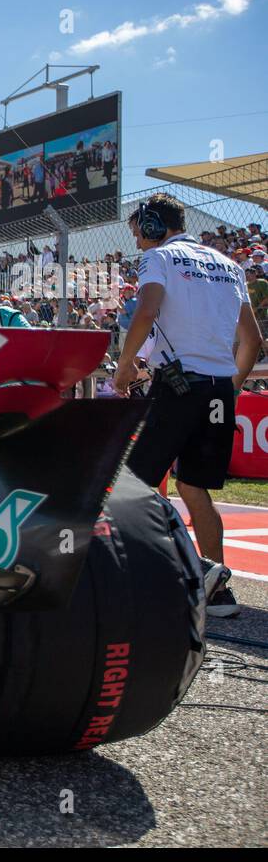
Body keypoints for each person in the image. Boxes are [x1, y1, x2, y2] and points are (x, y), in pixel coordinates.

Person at [113, 193, 262, 617]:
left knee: (131, 489)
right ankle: (216, 590)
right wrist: (228, 388)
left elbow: (146, 310)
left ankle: (144, 576)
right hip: (217, 390)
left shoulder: (159, 258)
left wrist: (124, 367)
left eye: (139, 232)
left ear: (154, 226)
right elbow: (253, 341)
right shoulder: (230, 265)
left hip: (176, 388)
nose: (139, 242)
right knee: (195, 488)